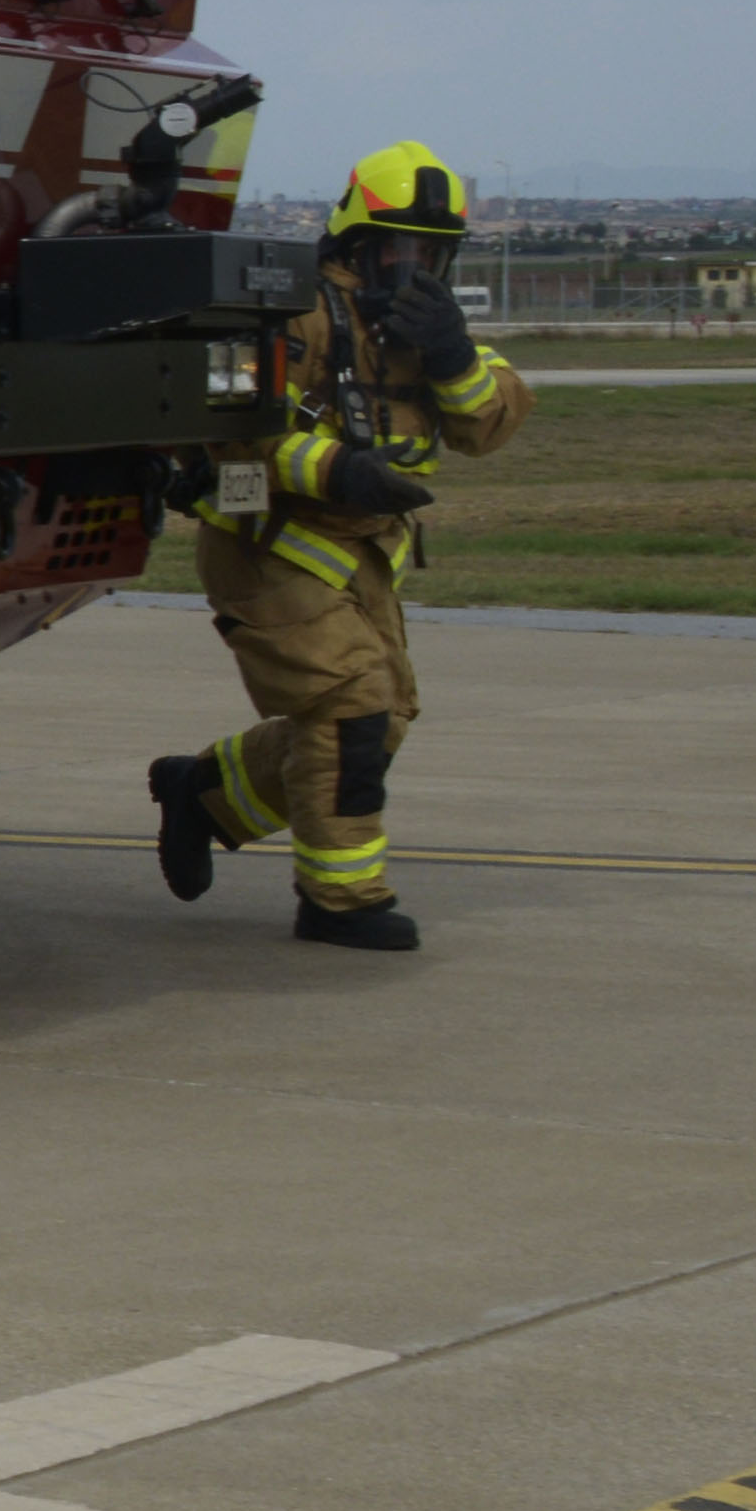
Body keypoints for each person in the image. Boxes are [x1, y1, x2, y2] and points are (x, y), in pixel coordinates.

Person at [147, 140, 523, 953]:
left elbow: (486, 425)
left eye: (430, 249)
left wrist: (454, 355)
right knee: (353, 708)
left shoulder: (432, 326)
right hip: (267, 541)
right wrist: (342, 470)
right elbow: (233, 431)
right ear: (355, 243)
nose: (411, 263)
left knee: (380, 720)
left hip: (362, 553)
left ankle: (206, 793)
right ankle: (341, 900)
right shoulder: (298, 311)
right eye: (396, 244)